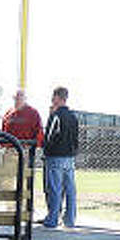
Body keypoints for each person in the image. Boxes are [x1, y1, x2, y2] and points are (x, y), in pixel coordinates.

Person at [41, 86, 78, 228]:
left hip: (55, 156)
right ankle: (70, 219)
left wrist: (46, 150)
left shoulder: (56, 116)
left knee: (55, 189)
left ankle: (53, 219)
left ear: (58, 97)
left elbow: (49, 137)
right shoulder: (73, 117)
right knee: (70, 189)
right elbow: (75, 138)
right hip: (69, 157)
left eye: (53, 96)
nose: (52, 99)